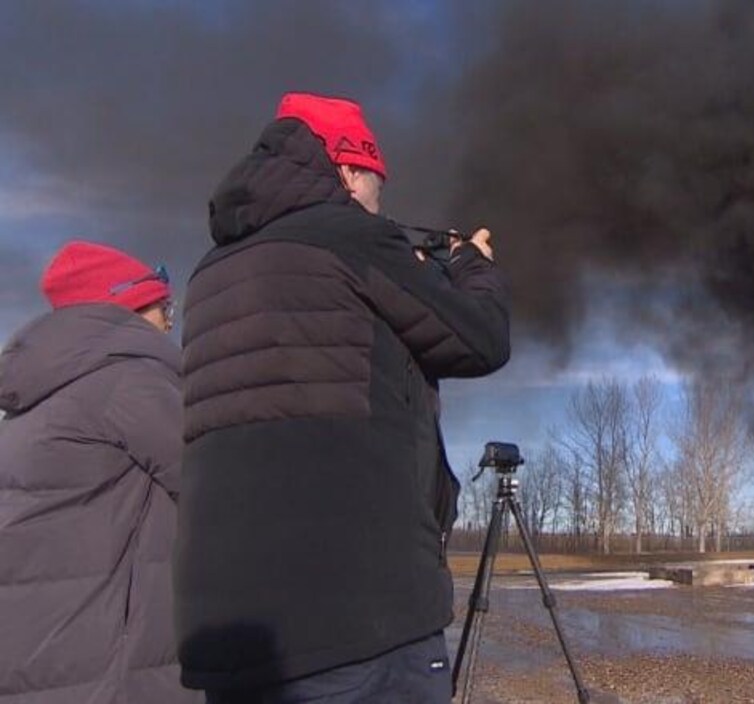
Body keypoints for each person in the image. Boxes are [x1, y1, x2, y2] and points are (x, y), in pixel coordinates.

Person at [175, 92, 510, 703]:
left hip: (234, 632)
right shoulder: (351, 239)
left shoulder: (209, 273)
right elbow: (480, 338)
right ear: (350, 170)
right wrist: (473, 266)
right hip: (360, 618)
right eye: (378, 181)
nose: (382, 200)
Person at [0, 241, 199, 704]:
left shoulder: (36, 398)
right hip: (113, 669)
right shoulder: (129, 382)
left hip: (43, 657)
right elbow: (216, 487)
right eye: (163, 309)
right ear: (127, 310)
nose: (170, 325)